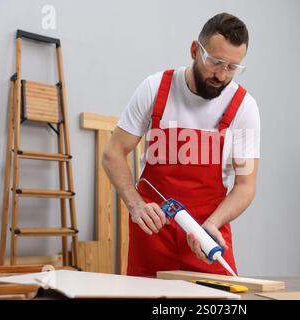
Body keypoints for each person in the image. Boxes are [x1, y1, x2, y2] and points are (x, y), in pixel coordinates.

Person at [103, 12, 260, 277]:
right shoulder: (154, 89)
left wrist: (212, 225)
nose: (222, 75)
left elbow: (245, 186)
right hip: (153, 234)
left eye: (232, 68)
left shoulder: (244, 107)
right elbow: (113, 153)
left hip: (206, 237)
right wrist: (136, 205)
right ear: (195, 50)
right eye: (215, 62)